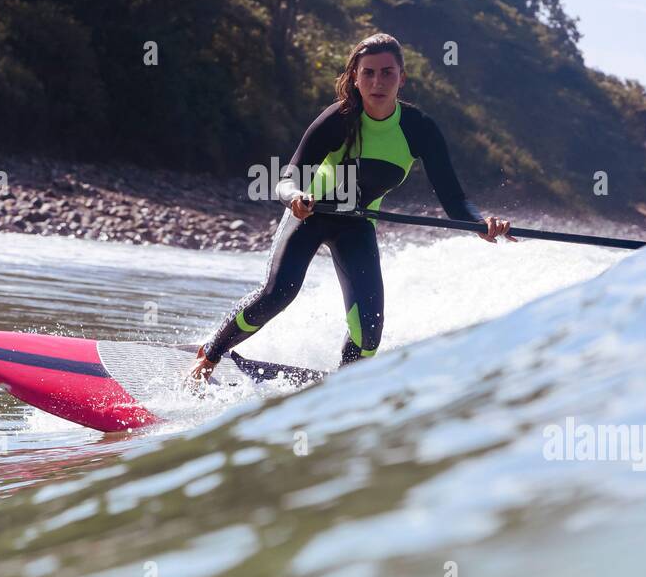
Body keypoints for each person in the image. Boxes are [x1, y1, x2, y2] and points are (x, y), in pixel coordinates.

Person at [190, 32, 512, 383]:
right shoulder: (337, 120)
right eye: (369, 73)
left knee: (370, 331)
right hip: (311, 215)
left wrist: (481, 223)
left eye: (387, 72)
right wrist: (296, 199)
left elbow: (454, 200)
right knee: (278, 294)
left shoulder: (420, 129)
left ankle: (341, 391)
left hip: (357, 224)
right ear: (355, 78)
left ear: (402, 78)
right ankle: (210, 355)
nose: (378, 82)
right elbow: (286, 179)